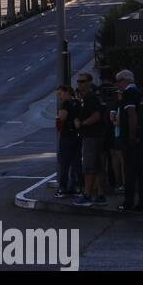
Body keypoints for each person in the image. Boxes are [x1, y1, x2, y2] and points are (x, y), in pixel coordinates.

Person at [115, 70, 143, 212]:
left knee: (129, 170)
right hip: (142, 135)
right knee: (140, 169)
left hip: (131, 137)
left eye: (118, 81)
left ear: (124, 80)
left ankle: (128, 202)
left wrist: (131, 135)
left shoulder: (128, 93)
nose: (118, 85)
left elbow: (131, 114)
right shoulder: (140, 93)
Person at [74, 73, 106, 206]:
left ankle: (87, 194)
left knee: (89, 167)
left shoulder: (90, 97)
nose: (79, 84)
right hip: (96, 136)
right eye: (78, 81)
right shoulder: (89, 97)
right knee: (98, 166)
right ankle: (100, 194)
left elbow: (96, 116)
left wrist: (82, 123)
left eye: (82, 81)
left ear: (89, 82)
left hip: (91, 137)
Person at [55, 85, 82, 198]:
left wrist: (58, 121)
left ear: (66, 92)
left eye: (60, 94)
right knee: (76, 162)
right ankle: (76, 186)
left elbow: (62, 119)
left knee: (64, 162)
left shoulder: (65, 104)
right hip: (77, 135)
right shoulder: (78, 102)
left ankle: (63, 187)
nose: (59, 97)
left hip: (67, 136)